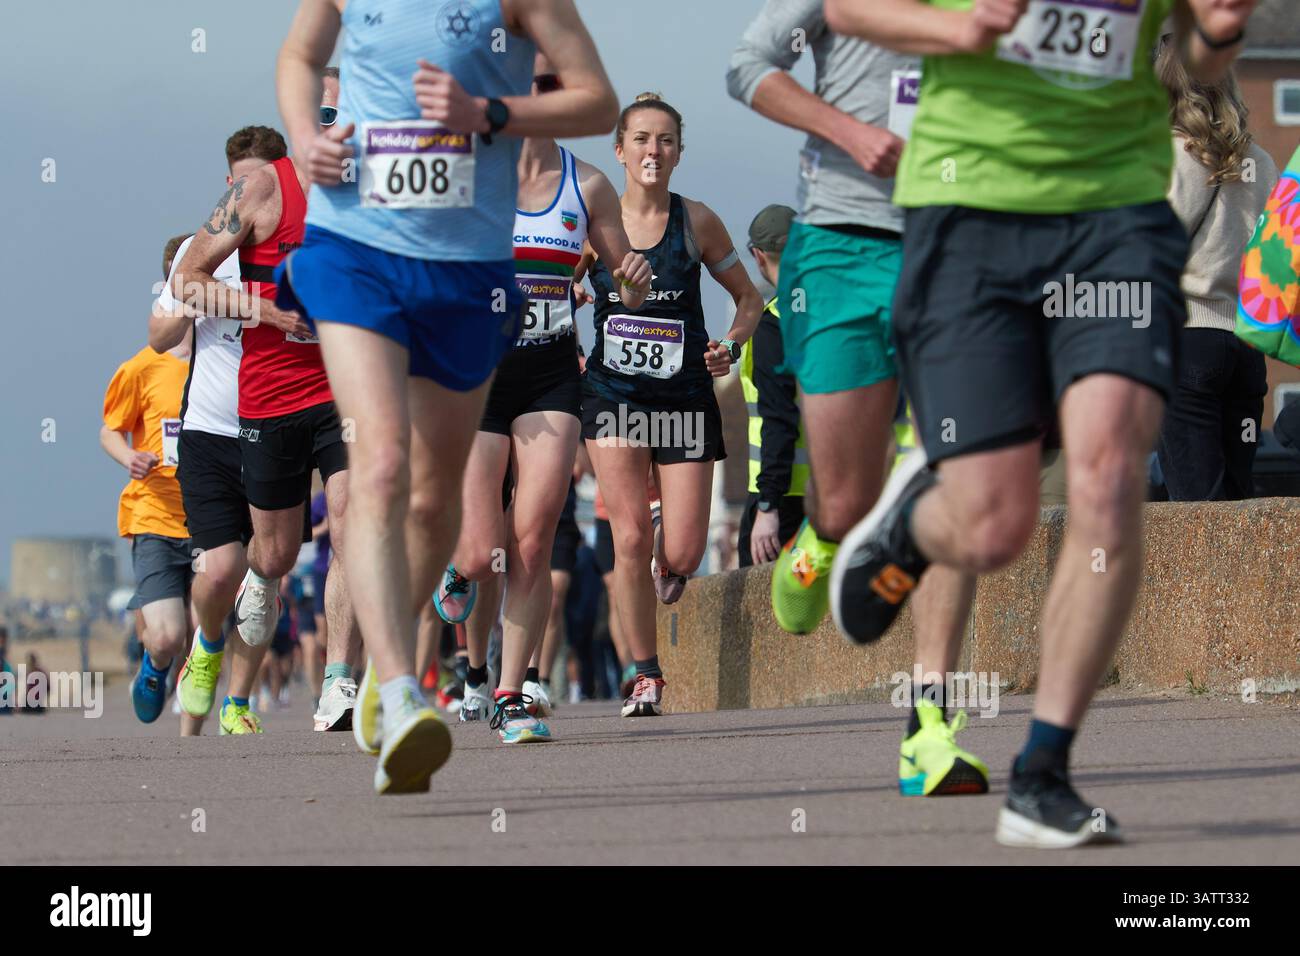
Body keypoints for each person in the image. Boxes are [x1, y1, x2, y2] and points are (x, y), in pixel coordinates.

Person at [824, 0, 1260, 846]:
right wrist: (960, 31)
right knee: (994, 528)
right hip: (972, 207)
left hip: (1118, 216)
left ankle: (1043, 773)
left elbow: (1202, 60)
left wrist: (1219, 29)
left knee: (1110, 471)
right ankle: (916, 521)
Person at [275, 0, 620, 792]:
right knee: (382, 465)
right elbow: (298, 56)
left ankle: (385, 681)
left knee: (432, 504)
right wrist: (303, 133)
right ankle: (397, 693)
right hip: (354, 244)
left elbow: (597, 99)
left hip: (466, 273)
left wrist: (488, 112)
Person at [728, 0, 987, 797]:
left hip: (954, 242)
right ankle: (822, 544)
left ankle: (930, 725)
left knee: (953, 472)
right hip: (842, 244)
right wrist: (852, 131)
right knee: (846, 499)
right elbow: (747, 69)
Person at [434, 60, 651, 743]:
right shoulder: (467, 175)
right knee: (479, 551)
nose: (545, 94)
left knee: (532, 537)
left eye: (556, 85)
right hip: (475, 376)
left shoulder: (586, 185)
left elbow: (627, 284)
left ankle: (510, 694)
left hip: (552, 375)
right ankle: (456, 566)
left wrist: (637, 283)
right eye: (532, 82)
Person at [171, 124, 360, 734]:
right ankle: (208, 642)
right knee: (274, 556)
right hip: (270, 398)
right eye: (326, 113)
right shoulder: (258, 192)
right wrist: (267, 311)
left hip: (348, 390)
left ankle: (339, 681)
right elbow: (187, 281)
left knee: (355, 526)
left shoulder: (380, 190)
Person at [580, 92, 763, 718]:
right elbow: (558, 285)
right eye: (641, 140)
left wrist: (730, 349)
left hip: (684, 398)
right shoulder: (593, 225)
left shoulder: (698, 222)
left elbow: (749, 301)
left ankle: (667, 541)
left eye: (664, 140)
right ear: (620, 151)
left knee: (681, 557)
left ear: (679, 152)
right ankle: (646, 675)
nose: (652, 150)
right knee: (625, 537)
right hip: (613, 397)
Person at [1156, 41, 1277, 500]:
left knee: (1195, 512)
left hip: (1185, 340)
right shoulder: (1260, 163)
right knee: (1235, 509)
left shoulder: (1167, 157)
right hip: (1246, 347)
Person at [102, 273, 193, 725]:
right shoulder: (141, 367)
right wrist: (129, 457)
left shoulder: (225, 363)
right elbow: (109, 429)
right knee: (166, 638)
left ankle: (237, 706)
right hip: (154, 514)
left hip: (211, 516)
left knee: (214, 624)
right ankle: (154, 667)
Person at [735, 204, 807, 568]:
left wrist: (768, 506)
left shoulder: (774, 324)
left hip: (784, 499)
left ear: (758, 256)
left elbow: (779, 419)